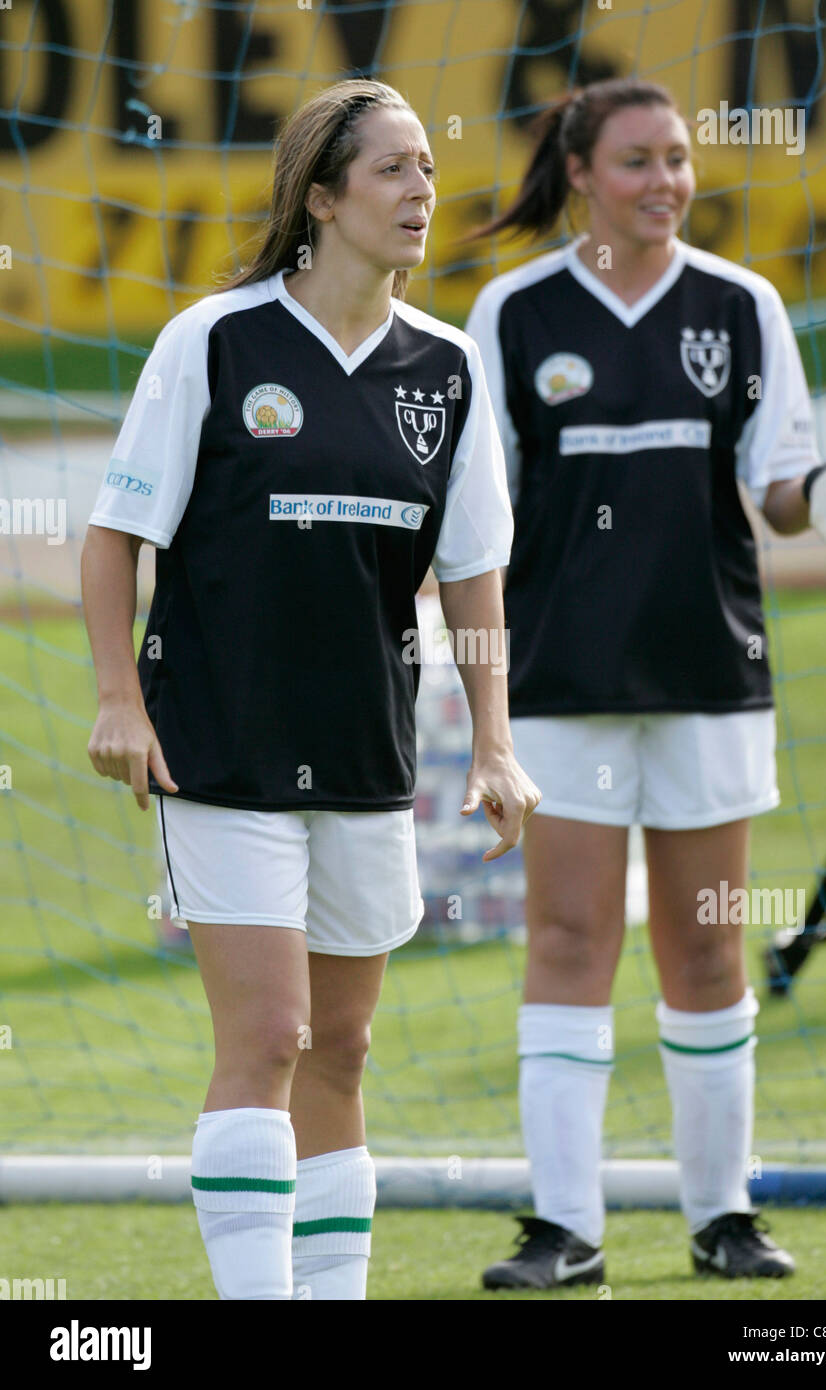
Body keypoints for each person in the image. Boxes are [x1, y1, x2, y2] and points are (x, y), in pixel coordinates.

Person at [81, 78, 539, 1301]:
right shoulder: (215, 341)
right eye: (391, 171)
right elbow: (113, 536)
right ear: (322, 198)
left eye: (427, 172)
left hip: (364, 752)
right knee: (272, 1036)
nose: (421, 194)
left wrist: (493, 742)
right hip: (218, 745)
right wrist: (120, 701)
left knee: (342, 1049)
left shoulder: (446, 370)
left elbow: (477, 573)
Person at [464, 76, 826, 1288]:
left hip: (711, 674)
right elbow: (479, 523)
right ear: (580, 174)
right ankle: (566, 1230)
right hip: (560, 683)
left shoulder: (742, 305)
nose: (666, 183)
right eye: (638, 161)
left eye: (678, 161)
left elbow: (778, 486)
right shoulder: (511, 312)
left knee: (707, 955)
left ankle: (723, 1218)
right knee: (566, 940)